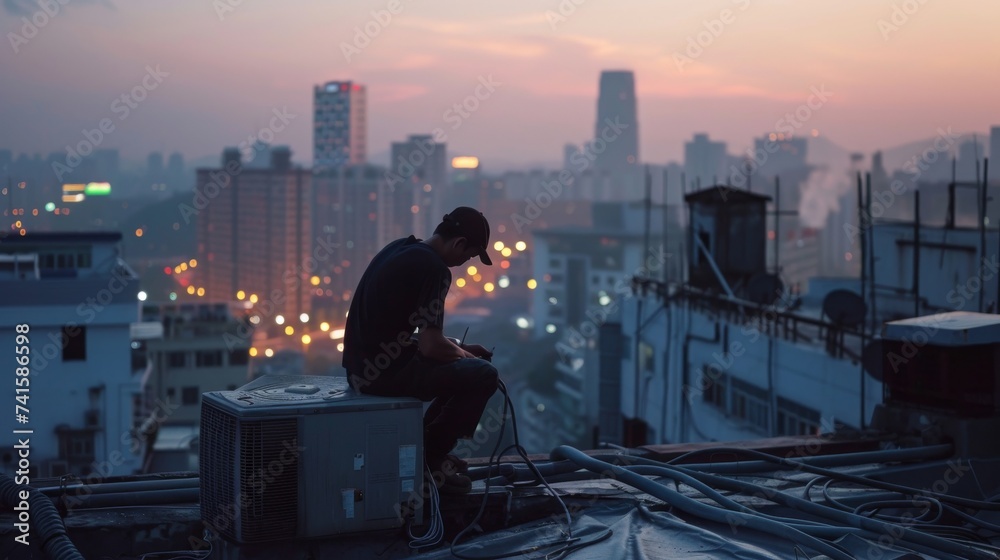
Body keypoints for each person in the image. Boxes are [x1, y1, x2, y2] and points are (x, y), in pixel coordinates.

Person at [342, 206, 499, 494]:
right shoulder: (435, 270)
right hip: (384, 375)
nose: (465, 263)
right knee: (484, 375)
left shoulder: (400, 248)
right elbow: (429, 346)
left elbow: (403, 334)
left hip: (360, 369)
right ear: (459, 243)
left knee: (461, 367)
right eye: (469, 256)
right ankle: (431, 459)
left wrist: (459, 348)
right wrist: (466, 357)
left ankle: (427, 451)